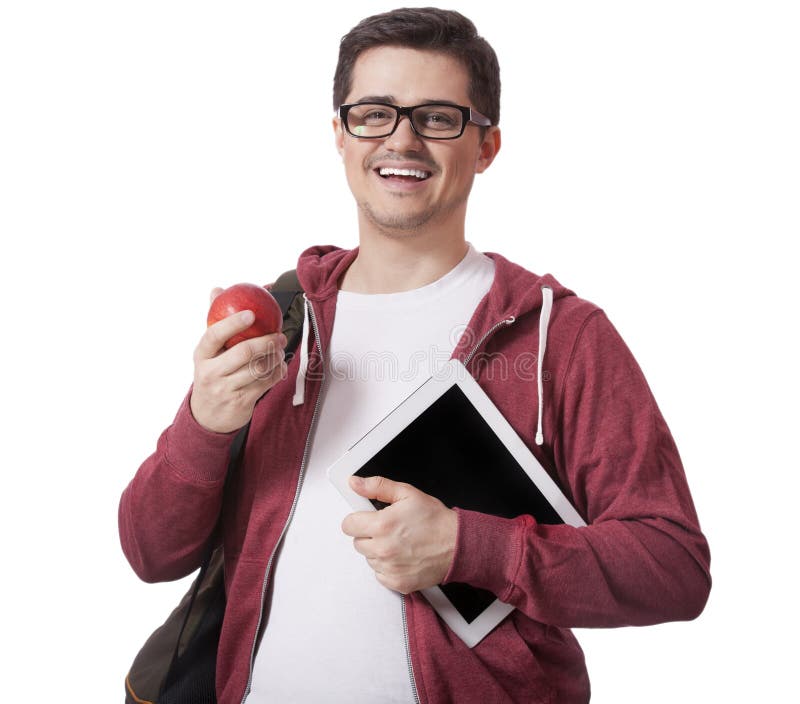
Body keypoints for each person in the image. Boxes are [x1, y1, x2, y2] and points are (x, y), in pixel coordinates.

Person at [119, 7, 711, 703]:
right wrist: (206, 423)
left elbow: (673, 567)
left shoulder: (562, 335)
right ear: (340, 134)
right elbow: (150, 553)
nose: (402, 139)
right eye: (374, 113)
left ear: (486, 145)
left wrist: (469, 547)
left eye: (438, 117)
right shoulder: (283, 320)